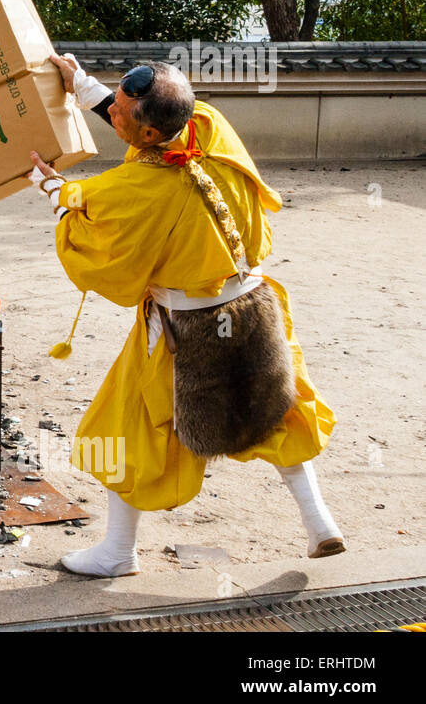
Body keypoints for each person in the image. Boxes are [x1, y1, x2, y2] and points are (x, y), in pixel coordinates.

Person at [26, 54, 342, 578]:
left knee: (125, 427)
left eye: (123, 112)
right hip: (253, 308)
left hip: (181, 328)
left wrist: (51, 190)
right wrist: (82, 86)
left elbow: (84, 219)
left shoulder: (136, 190)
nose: (116, 115)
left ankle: (117, 552)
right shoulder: (207, 127)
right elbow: (141, 127)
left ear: (149, 132)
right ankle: (319, 520)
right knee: (275, 409)